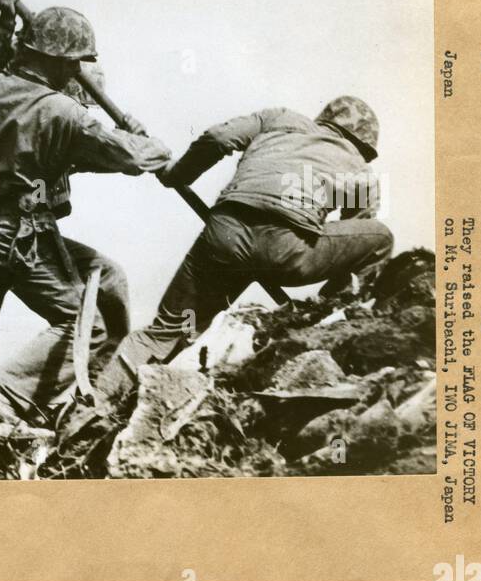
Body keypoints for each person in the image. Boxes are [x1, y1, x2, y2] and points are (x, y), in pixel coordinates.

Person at [0, 6, 172, 421]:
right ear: (53, 59)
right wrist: (150, 142)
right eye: (72, 61)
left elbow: (46, 145)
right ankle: (3, 399)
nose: (76, 70)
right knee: (87, 326)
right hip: (13, 234)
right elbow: (129, 157)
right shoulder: (62, 112)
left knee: (103, 280)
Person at [92, 96, 392, 408]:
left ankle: (96, 404)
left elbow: (217, 138)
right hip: (287, 252)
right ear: (364, 144)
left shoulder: (279, 118)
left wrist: (179, 175)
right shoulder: (359, 167)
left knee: (167, 330)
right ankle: (333, 319)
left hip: (224, 238)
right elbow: (357, 228)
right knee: (380, 237)